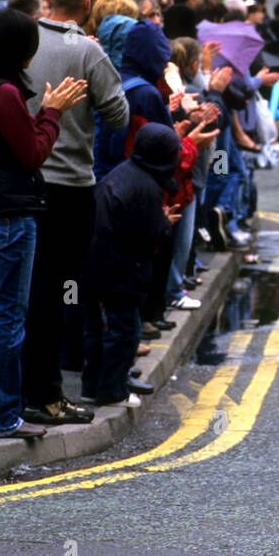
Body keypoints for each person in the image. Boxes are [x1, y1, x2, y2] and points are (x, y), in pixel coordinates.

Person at [0, 8, 88, 439]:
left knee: (0, 316)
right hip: (10, 212)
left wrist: (44, 113)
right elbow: (32, 154)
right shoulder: (5, 93)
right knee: (8, 318)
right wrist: (52, 113)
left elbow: (8, 142)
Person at [19, 0, 130, 427]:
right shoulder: (87, 49)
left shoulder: (20, 38)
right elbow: (119, 115)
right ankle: (47, 395)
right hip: (68, 187)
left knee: (19, 291)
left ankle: (14, 391)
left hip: (21, 180)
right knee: (59, 292)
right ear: (87, 6)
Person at [81, 125, 184, 407]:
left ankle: (92, 386)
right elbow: (152, 234)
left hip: (94, 266)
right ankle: (113, 391)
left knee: (95, 331)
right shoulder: (146, 187)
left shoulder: (123, 172)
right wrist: (166, 222)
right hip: (120, 272)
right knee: (124, 332)